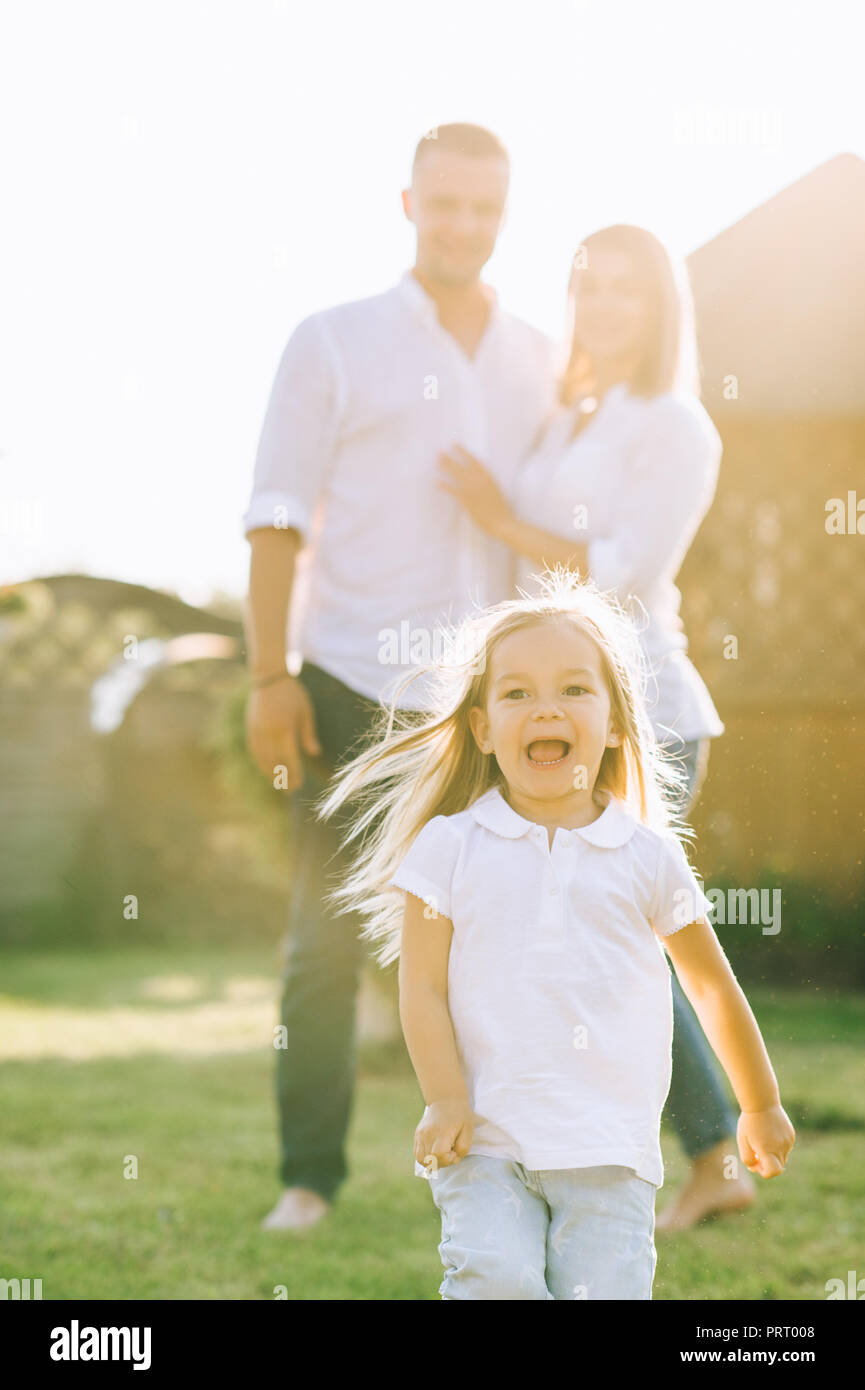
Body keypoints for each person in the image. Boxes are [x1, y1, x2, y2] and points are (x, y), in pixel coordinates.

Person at [316, 570, 795, 1299]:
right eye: (516, 693)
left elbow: (708, 985)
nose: (545, 707)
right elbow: (424, 988)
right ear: (481, 727)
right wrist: (445, 1099)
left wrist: (757, 1105)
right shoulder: (447, 849)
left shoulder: (645, 856)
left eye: (574, 689)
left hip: (608, 1151)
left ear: (613, 724)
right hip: (484, 1142)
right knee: (494, 1280)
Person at [242, 123, 557, 1230]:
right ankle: (308, 1178)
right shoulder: (331, 341)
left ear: (504, 214)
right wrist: (268, 676)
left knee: (503, 940)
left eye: (485, 208)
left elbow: (551, 523)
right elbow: (275, 513)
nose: (464, 224)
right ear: (409, 203)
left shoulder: (537, 355)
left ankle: (509, 1170)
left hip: (487, 699)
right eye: (446, 203)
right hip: (349, 676)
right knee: (325, 941)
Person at [437, 223, 754, 1231]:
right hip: (548, 711)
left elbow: (616, 573)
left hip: (639, 715)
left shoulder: (675, 424)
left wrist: (497, 519)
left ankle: (711, 1156)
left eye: (627, 289)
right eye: (588, 286)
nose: (604, 307)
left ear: (661, 307)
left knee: (628, 937)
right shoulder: (569, 416)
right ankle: (674, 1155)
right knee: (601, 939)